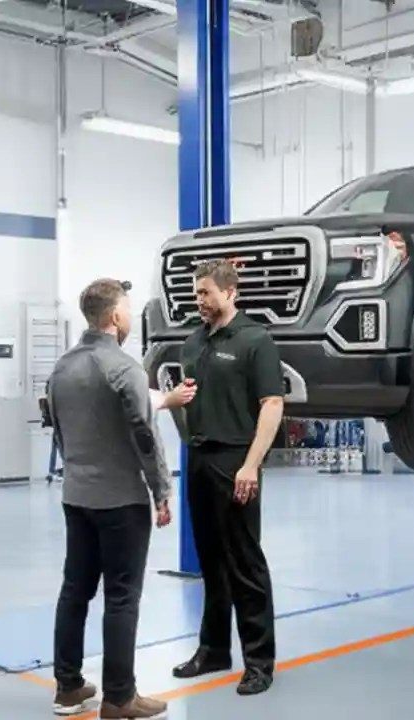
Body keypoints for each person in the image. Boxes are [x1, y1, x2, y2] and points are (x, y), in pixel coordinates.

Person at [46, 277, 197, 718]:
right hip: (120, 502)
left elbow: (58, 430)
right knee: (121, 597)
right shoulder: (124, 367)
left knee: (75, 590)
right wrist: (162, 490)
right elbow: (145, 435)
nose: (130, 315)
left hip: (76, 496)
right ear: (114, 317)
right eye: (127, 309)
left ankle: (68, 687)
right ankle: (119, 697)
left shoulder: (63, 367)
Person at [167, 258, 285, 696]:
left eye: (206, 293)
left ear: (230, 292)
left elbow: (272, 404)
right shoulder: (192, 343)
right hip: (200, 460)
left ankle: (259, 661)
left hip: (237, 459)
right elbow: (185, 397)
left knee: (245, 563)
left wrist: (251, 464)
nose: (199, 300)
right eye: (196, 293)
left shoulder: (256, 341)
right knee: (211, 563)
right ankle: (213, 650)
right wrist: (187, 435)